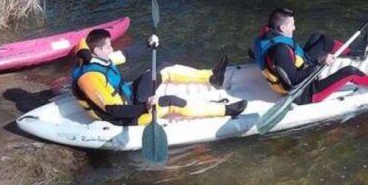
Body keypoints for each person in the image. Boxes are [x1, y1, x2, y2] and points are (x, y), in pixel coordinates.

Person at [72, 29, 247, 126]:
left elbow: (126, 54)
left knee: (163, 67)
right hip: (124, 116)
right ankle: (227, 110)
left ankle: (211, 77)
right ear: (96, 51)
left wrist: (148, 43)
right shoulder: (90, 78)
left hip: (129, 96)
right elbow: (113, 110)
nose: (112, 49)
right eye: (109, 47)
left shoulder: (99, 58)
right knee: (170, 101)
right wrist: (144, 107)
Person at [252, 8, 368, 105]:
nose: (295, 27)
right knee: (350, 72)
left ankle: (357, 52)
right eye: (292, 24)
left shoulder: (268, 37)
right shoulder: (280, 50)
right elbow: (293, 81)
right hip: (305, 93)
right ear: (282, 28)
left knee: (319, 38)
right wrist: (319, 62)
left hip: (299, 71)